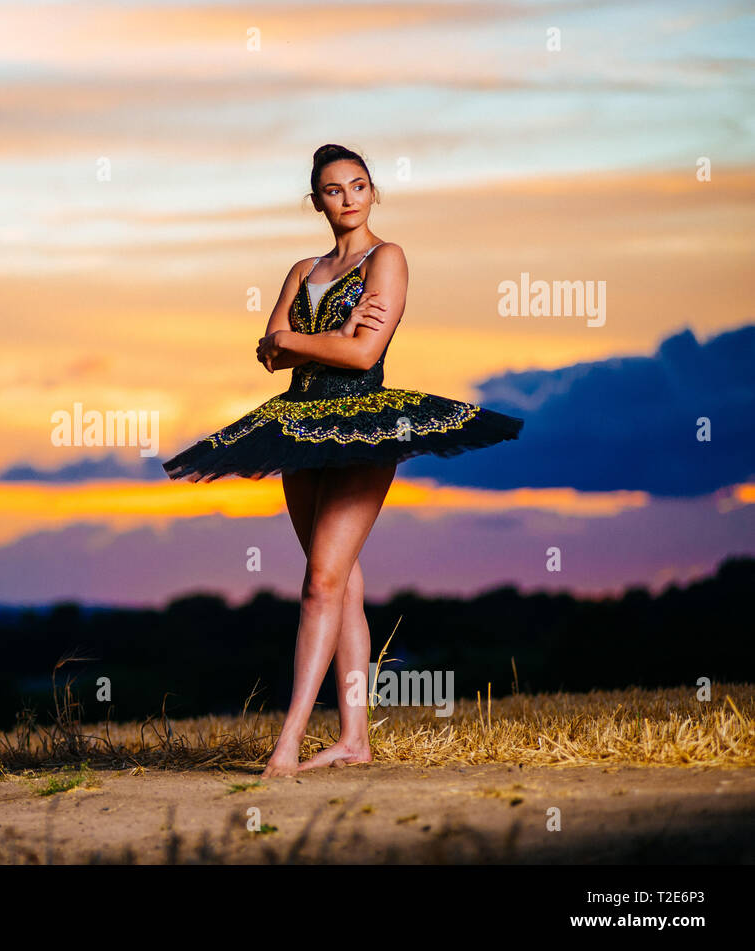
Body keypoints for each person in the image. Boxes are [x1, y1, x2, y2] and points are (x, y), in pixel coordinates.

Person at [162, 144, 524, 777]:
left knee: (320, 584)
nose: (349, 198)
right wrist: (324, 336)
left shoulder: (389, 258)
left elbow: (362, 355)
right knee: (341, 585)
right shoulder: (302, 268)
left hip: (362, 428)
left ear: (373, 191)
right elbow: (268, 354)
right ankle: (354, 740)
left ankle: (289, 741)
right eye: (334, 190)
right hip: (296, 427)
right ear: (317, 202)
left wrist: (298, 341)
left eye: (359, 185)